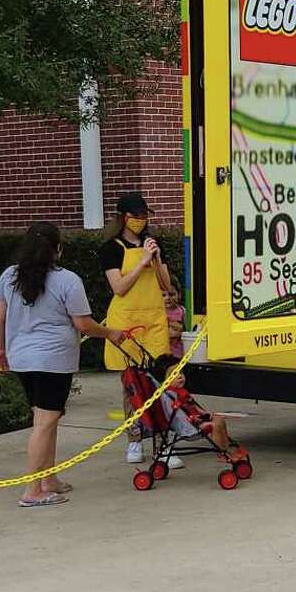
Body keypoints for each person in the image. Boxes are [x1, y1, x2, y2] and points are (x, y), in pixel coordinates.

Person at [0, 222, 126, 509]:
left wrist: (1, 348)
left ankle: (49, 477)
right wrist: (111, 332)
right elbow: (83, 324)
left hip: (21, 358)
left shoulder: (9, 276)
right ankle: (32, 489)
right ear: (58, 249)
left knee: (47, 419)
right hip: (54, 360)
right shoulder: (67, 280)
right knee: (44, 423)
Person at [100, 193, 177, 465]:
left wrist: (154, 259)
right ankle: (134, 440)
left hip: (154, 319)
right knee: (132, 384)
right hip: (126, 321)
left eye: (145, 215)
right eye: (137, 215)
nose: (141, 221)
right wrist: (141, 262)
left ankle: (165, 443)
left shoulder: (153, 245)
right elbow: (119, 287)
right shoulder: (111, 248)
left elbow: (167, 285)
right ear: (124, 217)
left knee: (161, 382)